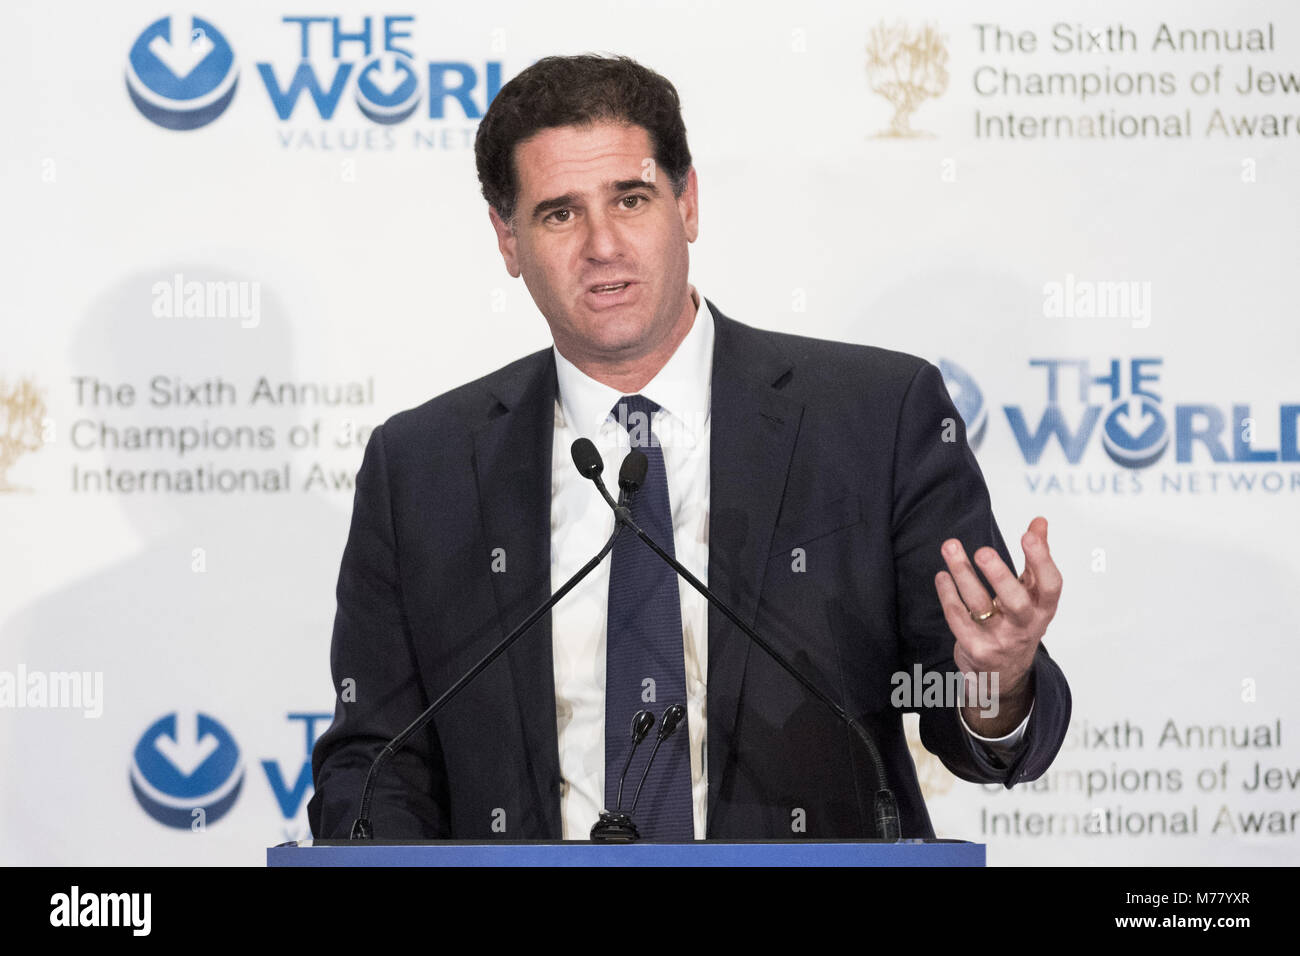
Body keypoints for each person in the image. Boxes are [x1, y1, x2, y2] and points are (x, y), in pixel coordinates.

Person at [308, 54, 1070, 841]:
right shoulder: (422, 468)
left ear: (688, 203)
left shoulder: (875, 420)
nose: (602, 245)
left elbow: (964, 712)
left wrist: (994, 686)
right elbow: (373, 760)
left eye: (631, 199)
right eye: (559, 214)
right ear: (507, 240)